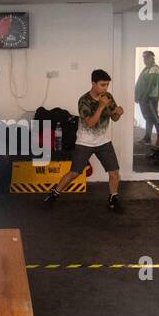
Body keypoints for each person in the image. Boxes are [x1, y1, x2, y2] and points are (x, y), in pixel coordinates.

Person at [45, 69, 125, 212]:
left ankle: (113, 198)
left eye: (107, 85)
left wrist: (118, 113)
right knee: (74, 173)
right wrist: (101, 106)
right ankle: (54, 194)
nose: (105, 88)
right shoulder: (84, 100)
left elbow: (113, 117)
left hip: (103, 141)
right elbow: (90, 123)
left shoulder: (108, 97)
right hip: (85, 142)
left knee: (114, 172)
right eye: (102, 85)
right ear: (93, 83)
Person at [135, 50, 159, 144]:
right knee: (148, 118)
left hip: (150, 98)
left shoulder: (155, 68)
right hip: (144, 97)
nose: (145, 59)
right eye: (144, 58)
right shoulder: (146, 69)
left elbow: (151, 84)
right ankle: (147, 138)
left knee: (155, 118)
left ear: (152, 58)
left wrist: (145, 97)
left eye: (147, 57)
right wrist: (138, 96)